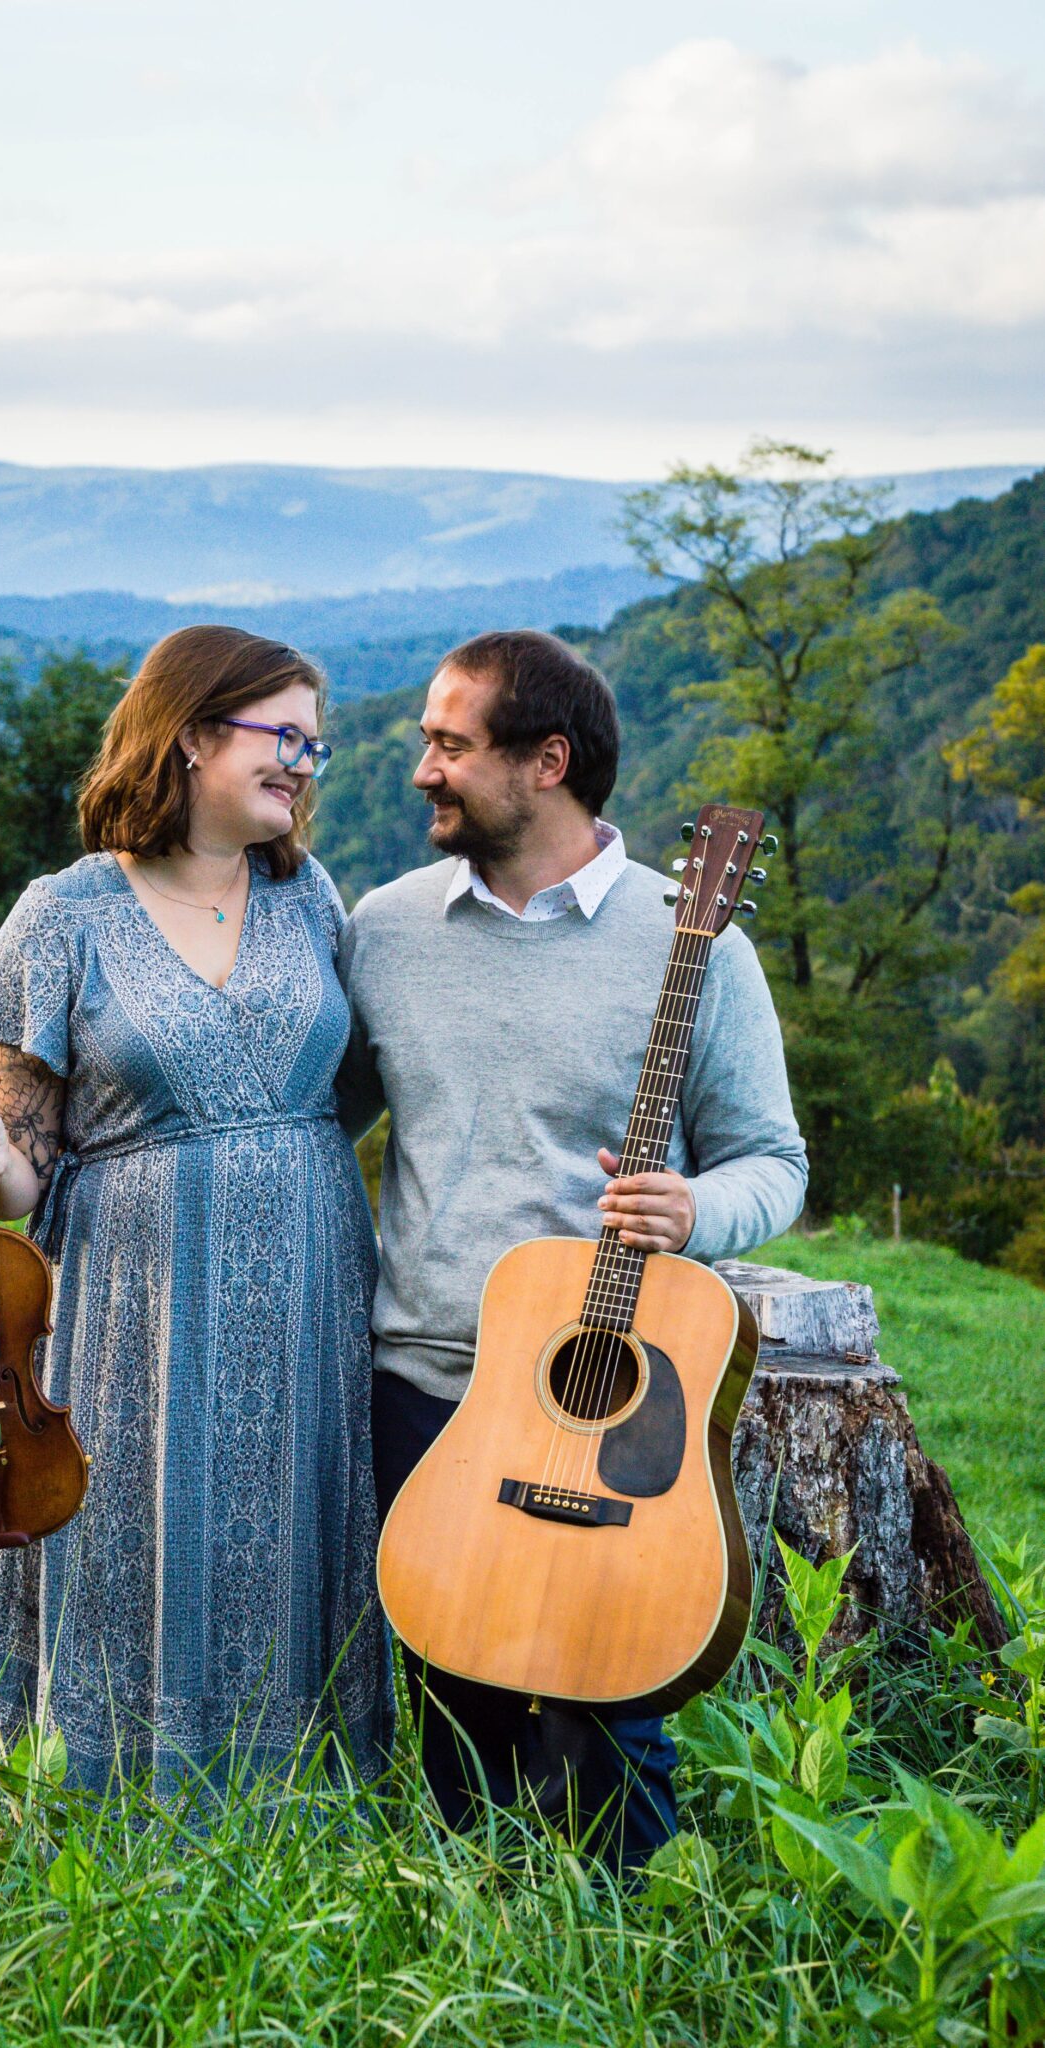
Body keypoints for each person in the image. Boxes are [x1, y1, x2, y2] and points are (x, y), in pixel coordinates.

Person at [336, 629, 808, 1877]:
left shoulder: (694, 940)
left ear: (547, 761)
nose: (422, 770)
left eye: (449, 744)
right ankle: (464, 1946)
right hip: (426, 1383)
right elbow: (308, 1124)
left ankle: (624, 1959)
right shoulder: (384, 929)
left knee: (605, 1720)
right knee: (453, 1713)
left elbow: (777, 1161)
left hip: (612, 1406)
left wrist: (692, 1212)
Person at [0, 625, 393, 1804]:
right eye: (284, 736)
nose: (305, 763)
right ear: (189, 734)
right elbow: (23, 1171)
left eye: (312, 743)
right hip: (136, 1286)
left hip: (312, 1282)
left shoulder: (309, 896)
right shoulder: (62, 914)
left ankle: (310, 1806)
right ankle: (113, 1801)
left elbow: (359, 1084)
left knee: (298, 1527)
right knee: (133, 1523)